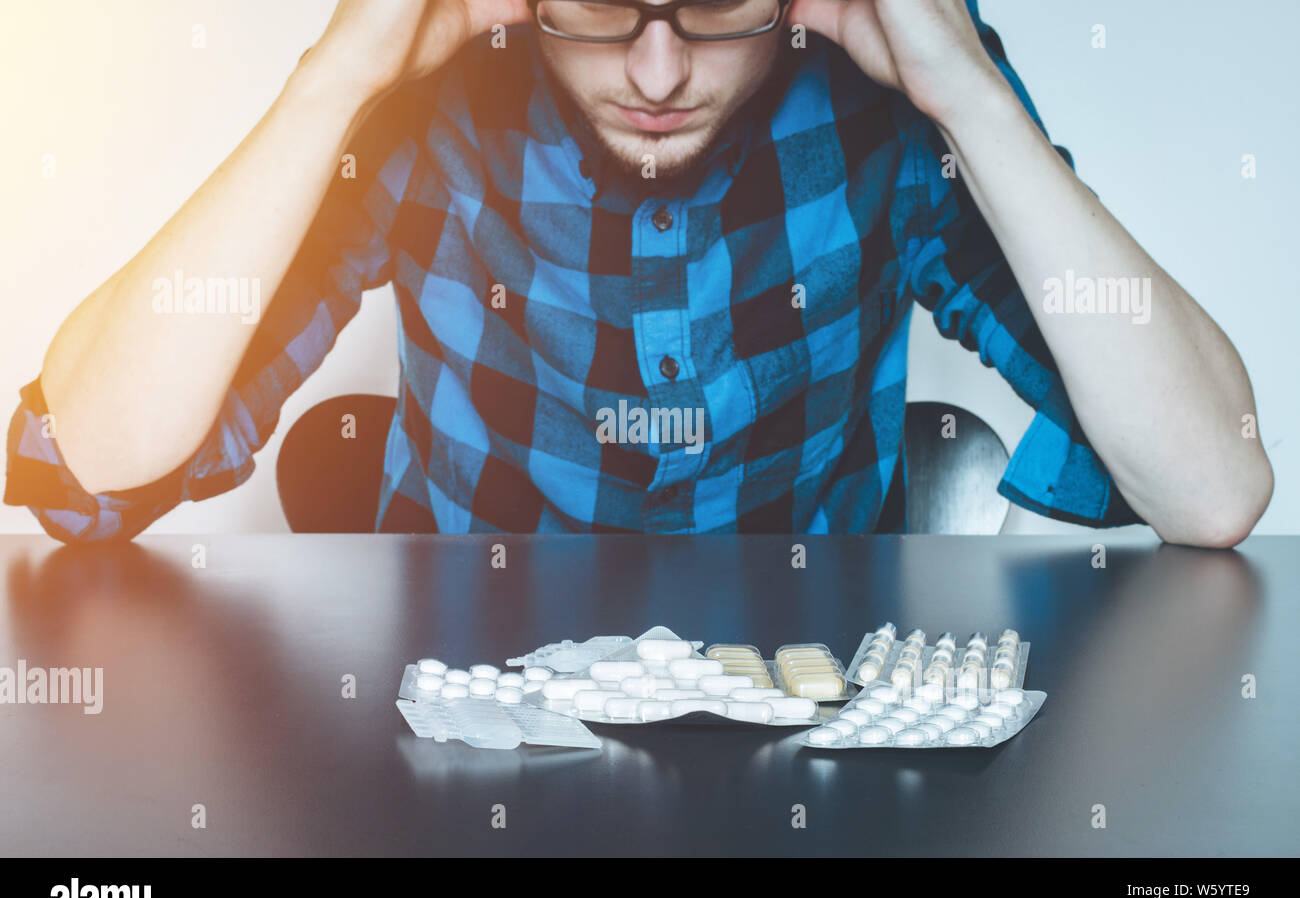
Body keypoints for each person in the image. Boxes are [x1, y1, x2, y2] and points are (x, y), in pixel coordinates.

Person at [4, 0, 1273, 544]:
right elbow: (88, 463)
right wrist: (334, 79)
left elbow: (1212, 486)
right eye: (603, 4)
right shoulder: (417, 103)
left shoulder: (896, 98)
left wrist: (969, 97)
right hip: (451, 775)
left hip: (814, 769)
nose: (657, 74)